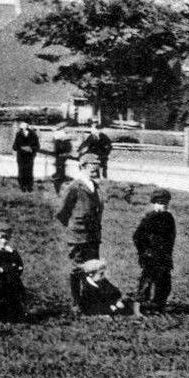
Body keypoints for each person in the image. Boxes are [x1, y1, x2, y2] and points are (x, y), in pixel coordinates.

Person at [56, 156, 104, 312]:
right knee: (77, 268)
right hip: (77, 236)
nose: (95, 170)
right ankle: (76, 302)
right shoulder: (74, 187)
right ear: (82, 167)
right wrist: (74, 227)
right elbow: (62, 212)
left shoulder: (95, 187)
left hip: (93, 236)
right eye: (91, 166)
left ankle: (89, 301)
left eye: (97, 166)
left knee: (93, 269)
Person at [132, 187, 176, 315]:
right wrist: (144, 252)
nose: (163, 206)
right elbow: (137, 237)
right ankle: (138, 306)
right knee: (146, 281)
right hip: (150, 256)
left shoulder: (168, 218)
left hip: (164, 256)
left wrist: (168, 253)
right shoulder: (150, 218)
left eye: (165, 203)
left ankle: (159, 304)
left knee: (164, 282)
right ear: (153, 204)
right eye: (160, 203)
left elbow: (171, 237)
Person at [12, 121, 41, 192]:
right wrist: (22, 148)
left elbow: (37, 146)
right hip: (21, 156)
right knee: (21, 171)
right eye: (21, 124)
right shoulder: (18, 134)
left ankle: (29, 187)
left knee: (29, 171)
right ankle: (22, 187)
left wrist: (31, 149)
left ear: (27, 125)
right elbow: (14, 146)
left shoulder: (33, 134)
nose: (22, 125)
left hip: (30, 156)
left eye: (24, 124)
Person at [50, 127, 73, 195]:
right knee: (59, 170)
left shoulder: (66, 142)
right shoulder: (58, 142)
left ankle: (60, 181)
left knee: (61, 170)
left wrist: (65, 154)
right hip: (60, 158)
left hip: (62, 158)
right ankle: (58, 183)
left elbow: (68, 150)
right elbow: (57, 150)